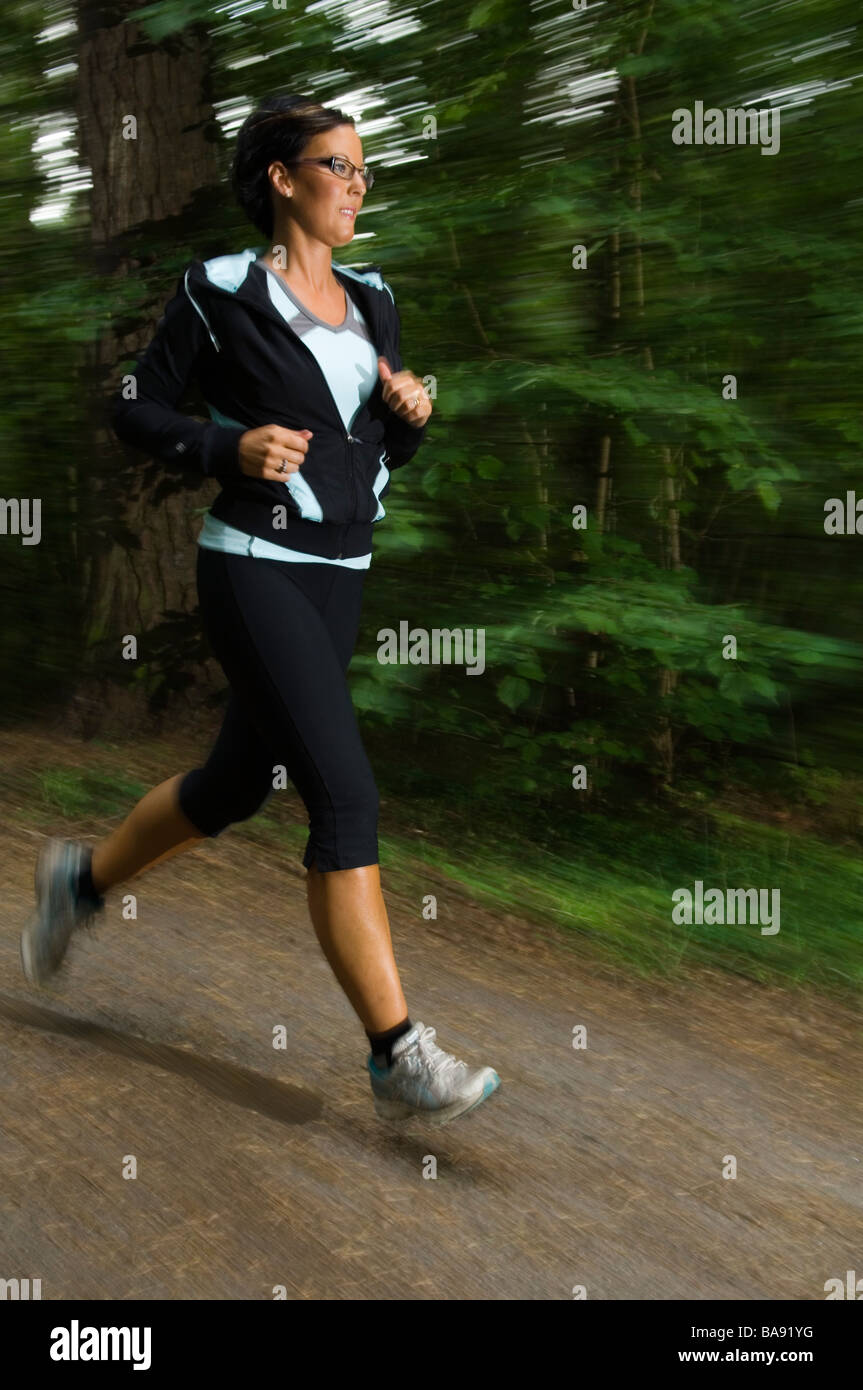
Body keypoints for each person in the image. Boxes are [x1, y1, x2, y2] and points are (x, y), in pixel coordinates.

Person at [20, 93, 500, 1127]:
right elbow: (135, 408)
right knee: (344, 797)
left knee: (236, 782)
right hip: (254, 563)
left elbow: (368, 450)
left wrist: (410, 416)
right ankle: (396, 1055)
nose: (357, 185)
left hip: (342, 569)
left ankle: (80, 884)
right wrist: (220, 448)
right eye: (338, 166)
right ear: (282, 179)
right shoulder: (221, 290)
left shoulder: (373, 297)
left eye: (365, 169)